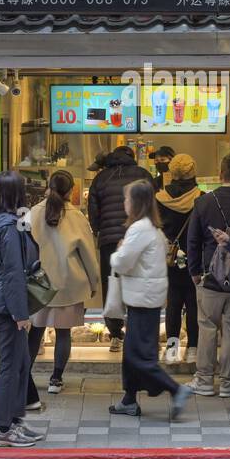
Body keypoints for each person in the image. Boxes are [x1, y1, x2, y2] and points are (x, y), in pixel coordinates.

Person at [108, 179, 195, 420]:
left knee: (140, 355)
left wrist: (117, 252)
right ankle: (128, 399)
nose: (124, 203)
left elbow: (122, 262)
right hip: (147, 298)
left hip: (142, 300)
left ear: (135, 202)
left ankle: (176, 390)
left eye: (126, 199)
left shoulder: (139, 229)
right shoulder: (152, 229)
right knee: (132, 352)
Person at [0, 171, 47, 448]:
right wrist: (21, 314)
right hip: (8, 306)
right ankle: (4, 429)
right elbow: (13, 273)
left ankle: (15, 421)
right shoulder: (9, 228)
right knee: (10, 366)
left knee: (18, 364)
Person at [185, 153, 230, 397]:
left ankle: (204, 381)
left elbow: (192, 240)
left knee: (207, 328)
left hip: (210, 278)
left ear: (221, 174)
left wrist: (194, 272)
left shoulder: (204, 202)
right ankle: (227, 383)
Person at [28, 170, 101, 394]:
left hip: (38, 283)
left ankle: (24, 375)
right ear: (71, 190)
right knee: (63, 332)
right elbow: (88, 253)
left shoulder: (32, 213)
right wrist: (94, 282)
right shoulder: (76, 216)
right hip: (69, 282)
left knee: (35, 332)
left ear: (49, 187)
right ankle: (56, 379)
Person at [87, 145, 150, 351]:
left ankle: (115, 334)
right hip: (138, 238)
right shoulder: (142, 174)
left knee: (112, 284)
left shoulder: (101, 178)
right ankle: (136, 330)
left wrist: (99, 230)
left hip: (110, 241)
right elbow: (152, 205)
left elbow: (93, 211)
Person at [156, 153, 202, 363]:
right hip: (194, 258)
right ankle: (193, 348)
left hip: (169, 258)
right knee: (193, 303)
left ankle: (172, 350)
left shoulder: (159, 199)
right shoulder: (200, 198)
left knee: (173, 303)